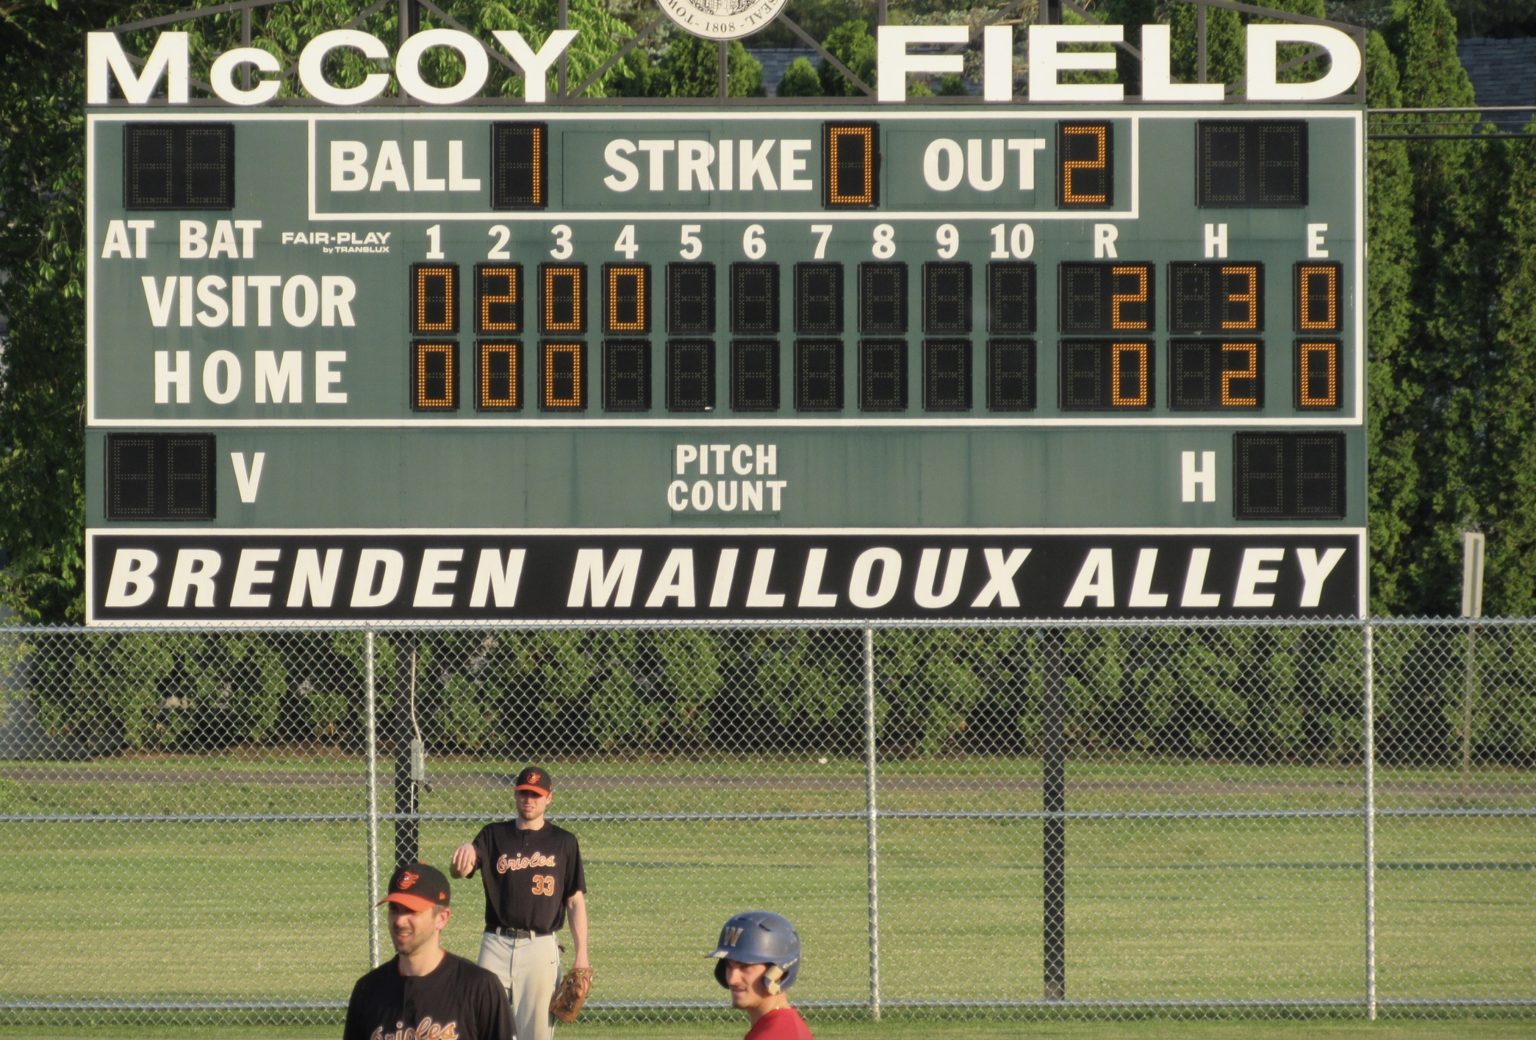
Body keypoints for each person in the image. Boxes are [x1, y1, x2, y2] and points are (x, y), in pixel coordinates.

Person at [451, 765, 590, 1040]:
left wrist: (582, 953)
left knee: (535, 1034)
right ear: (515, 795)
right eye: (524, 793)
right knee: (484, 1028)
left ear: (549, 797)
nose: (529, 799)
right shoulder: (493, 835)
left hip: (540, 946)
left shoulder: (564, 842)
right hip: (495, 943)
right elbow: (460, 872)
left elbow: (574, 901)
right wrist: (465, 851)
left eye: (536, 795)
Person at [344, 861, 512, 1040]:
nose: (400, 921)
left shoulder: (478, 988)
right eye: (394, 909)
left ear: (441, 918)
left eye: (411, 911)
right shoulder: (368, 991)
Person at [706, 911, 814, 1040]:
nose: (732, 979)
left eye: (745, 967)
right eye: (729, 966)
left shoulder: (777, 1035)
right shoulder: (781, 1025)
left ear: (779, 972)